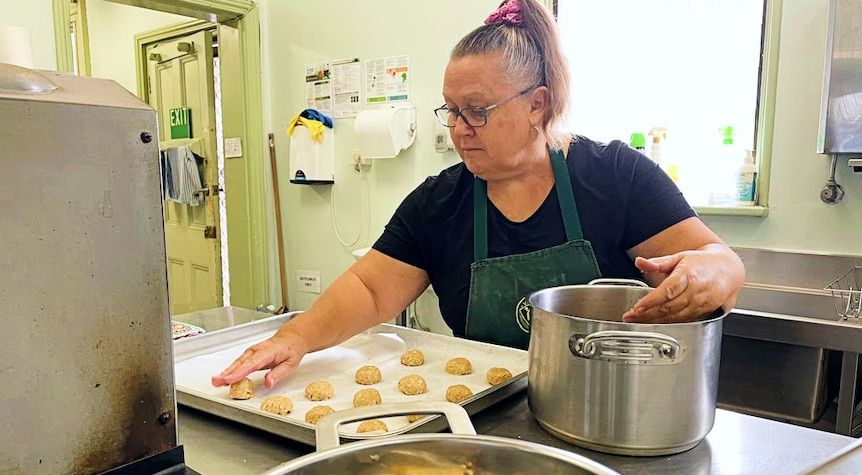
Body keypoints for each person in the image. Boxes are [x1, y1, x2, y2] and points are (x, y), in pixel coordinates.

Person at [213, 0, 745, 390]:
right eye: (451, 109)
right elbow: (372, 290)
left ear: (537, 104)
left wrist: (712, 274)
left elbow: (720, 261)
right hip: (485, 414)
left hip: (611, 408)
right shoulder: (437, 203)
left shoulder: (614, 176)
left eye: (477, 110)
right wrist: (296, 337)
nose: (459, 128)